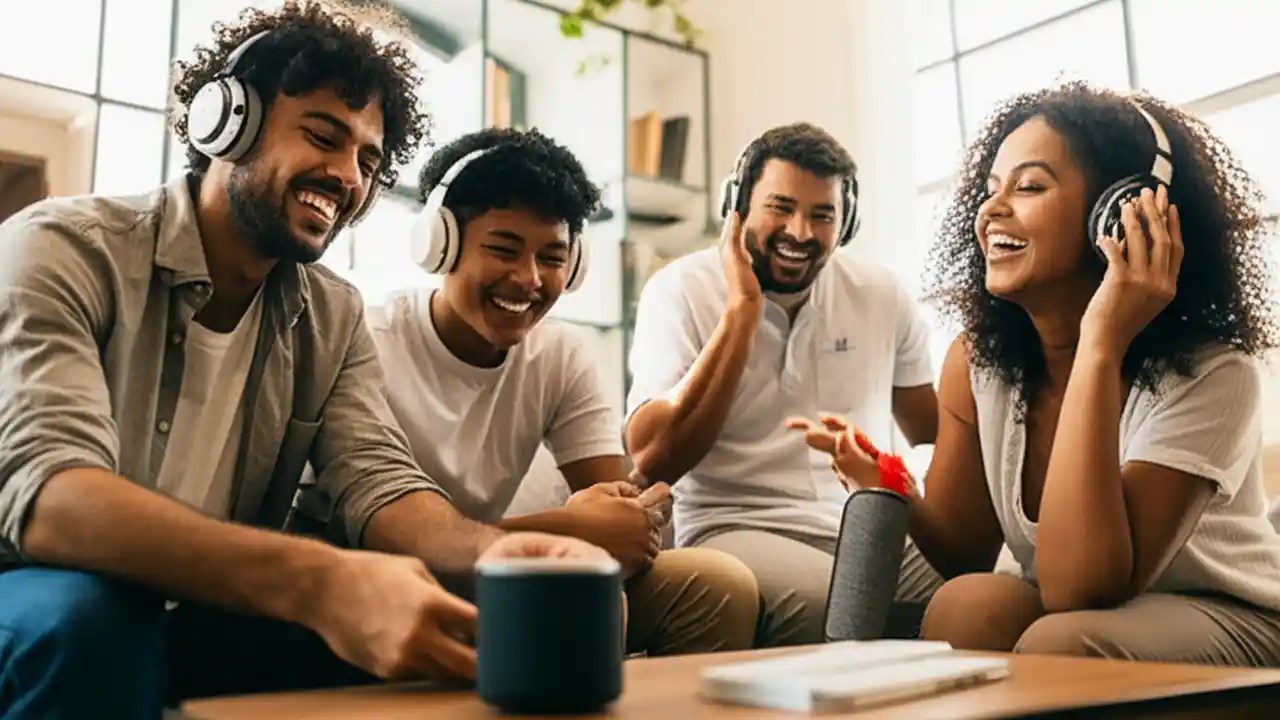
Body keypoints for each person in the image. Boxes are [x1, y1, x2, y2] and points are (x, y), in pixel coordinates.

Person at [0, 4, 606, 717]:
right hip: (33, 583)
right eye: (324, 136)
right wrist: (319, 580)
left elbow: (376, 481)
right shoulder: (64, 247)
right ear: (227, 122)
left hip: (203, 603)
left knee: (415, 626)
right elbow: (52, 498)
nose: (348, 176)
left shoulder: (332, 312)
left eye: (370, 161)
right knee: (93, 619)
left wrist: (494, 559)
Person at [793, 80, 1280, 665]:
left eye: (1028, 187)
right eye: (992, 188)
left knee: (1063, 641)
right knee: (965, 605)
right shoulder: (980, 364)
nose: (992, 208)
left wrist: (1100, 341)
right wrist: (887, 482)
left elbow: (1083, 585)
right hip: (1093, 615)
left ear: (1121, 214)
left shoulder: (1214, 373)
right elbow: (966, 549)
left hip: (1227, 613)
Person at [295, 127, 760, 656]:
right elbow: (362, 537)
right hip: (383, 576)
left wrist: (621, 517)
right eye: (504, 249)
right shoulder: (371, 341)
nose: (529, 278)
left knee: (719, 588)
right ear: (439, 244)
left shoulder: (559, 354)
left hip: (500, 573)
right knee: (580, 596)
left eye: (552, 257)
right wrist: (566, 528)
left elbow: (619, 506)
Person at [622, 122, 944, 647]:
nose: (800, 232)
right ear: (738, 205)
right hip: (737, 522)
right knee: (829, 610)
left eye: (823, 215)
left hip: (864, 521)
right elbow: (653, 457)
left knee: (969, 591)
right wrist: (742, 312)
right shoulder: (679, 290)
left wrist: (893, 475)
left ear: (847, 223)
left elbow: (933, 435)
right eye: (780, 207)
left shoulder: (880, 293)